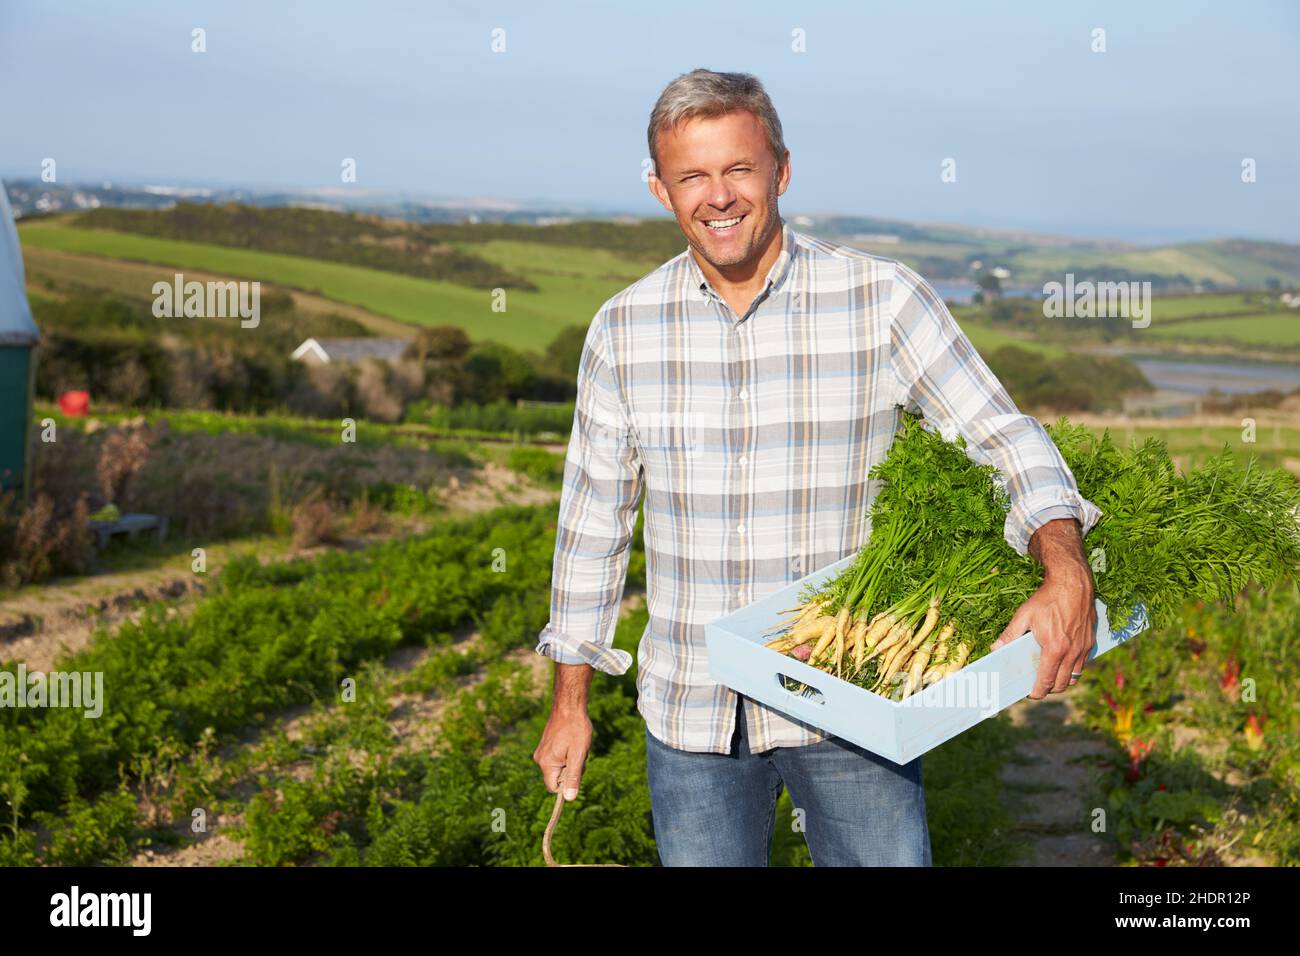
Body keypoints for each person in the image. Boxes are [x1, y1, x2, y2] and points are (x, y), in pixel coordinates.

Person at [532, 69, 1100, 866]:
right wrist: (569, 703)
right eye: (693, 175)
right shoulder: (623, 328)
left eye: (739, 169)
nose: (718, 196)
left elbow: (1003, 435)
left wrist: (1065, 570)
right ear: (661, 190)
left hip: (853, 701)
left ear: (782, 171)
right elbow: (593, 525)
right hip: (691, 712)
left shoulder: (880, 298)